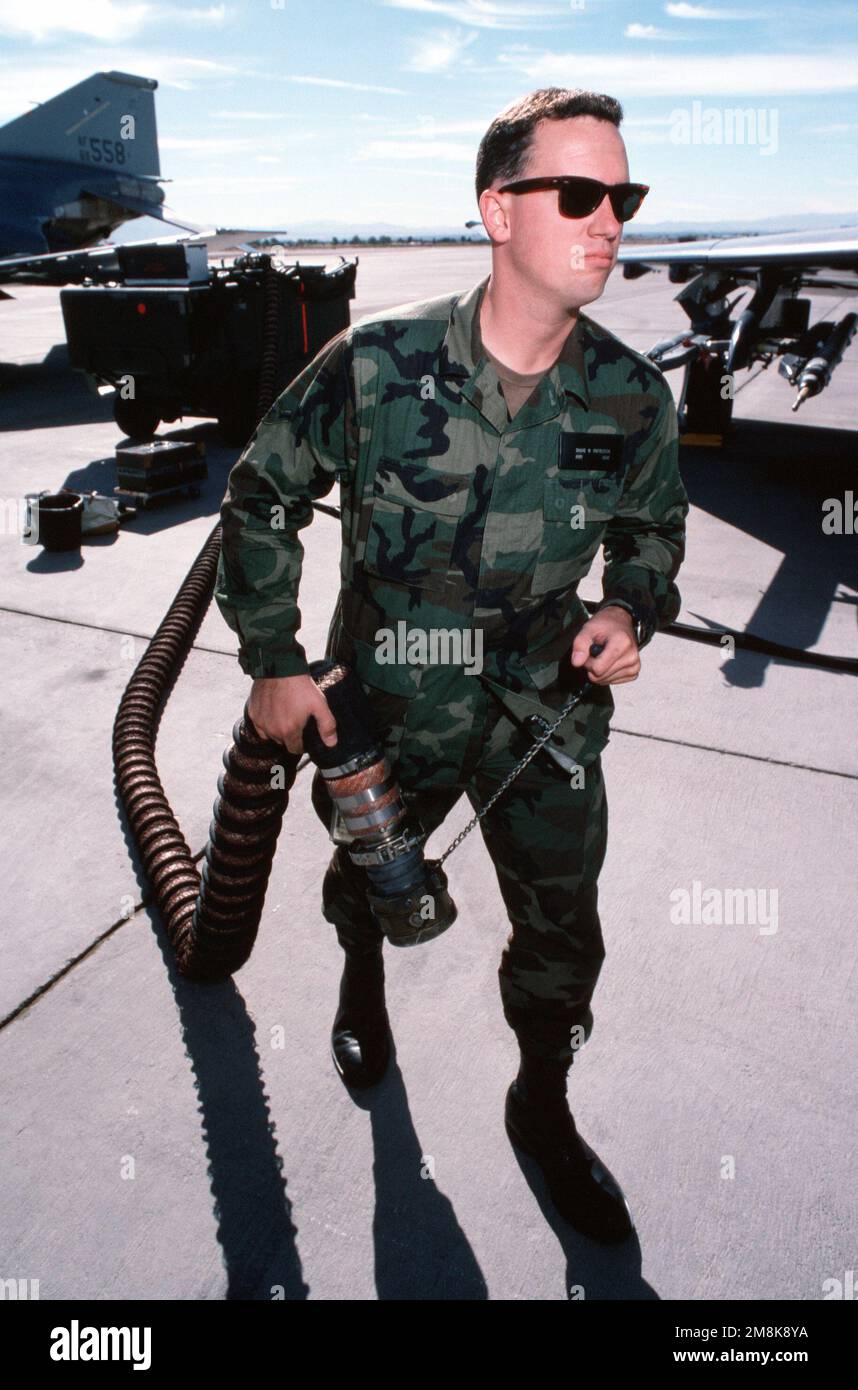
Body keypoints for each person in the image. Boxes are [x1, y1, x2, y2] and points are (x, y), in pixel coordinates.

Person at [215, 86, 689, 1245]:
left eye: (621, 196)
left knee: (564, 927)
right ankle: (362, 979)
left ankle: (543, 1098)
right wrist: (275, 662)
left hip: (542, 704)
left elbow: (653, 535)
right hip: (390, 690)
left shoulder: (630, 395)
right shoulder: (376, 365)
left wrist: (628, 608)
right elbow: (263, 493)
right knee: (373, 872)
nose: (610, 220)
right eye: (578, 193)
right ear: (496, 208)